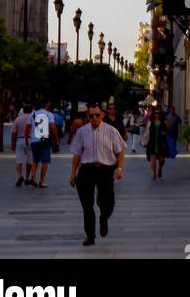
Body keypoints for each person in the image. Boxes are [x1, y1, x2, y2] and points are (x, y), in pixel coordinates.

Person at [69, 103, 126, 246]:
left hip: (105, 170)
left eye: (97, 115)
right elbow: (76, 154)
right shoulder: (82, 132)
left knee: (107, 201)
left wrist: (119, 169)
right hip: (87, 169)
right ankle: (90, 235)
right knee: (87, 205)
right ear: (87, 117)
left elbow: (120, 153)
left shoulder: (111, 131)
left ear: (102, 115)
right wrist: (73, 173)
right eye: (91, 115)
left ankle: (104, 218)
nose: (94, 118)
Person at [28, 100, 59, 188]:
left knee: (35, 160)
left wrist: (27, 138)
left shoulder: (32, 114)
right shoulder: (48, 114)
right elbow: (53, 127)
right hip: (44, 139)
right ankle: (41, 181)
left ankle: (33, 177)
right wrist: (56, 138)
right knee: (44, 162)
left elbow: (28, 127)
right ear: (47, 105)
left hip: (34, 140)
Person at [11, 102, 34, 187]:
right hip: (31, 140)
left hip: (20, 140)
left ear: (23, 111)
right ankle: (27, 178)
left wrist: (12, 143)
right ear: (31, 111)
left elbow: (13, 132)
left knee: (19, 160)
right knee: (30, 161)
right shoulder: (33, 119)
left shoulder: (18, 119)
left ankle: (20, 176)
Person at [145, 103, 170, 180]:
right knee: (153, 159)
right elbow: (146, 131)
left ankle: (160, 168)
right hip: (152, 142)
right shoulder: (150, 122)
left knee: (161, 160)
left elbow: (168, 130)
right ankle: (154, 173)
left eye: (159, 113)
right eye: (156, 113)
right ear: (154, 114)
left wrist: (165, 132)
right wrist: (144, 139)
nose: (157, 114)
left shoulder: (164, 122)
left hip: (161, 142)